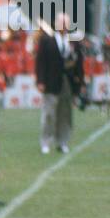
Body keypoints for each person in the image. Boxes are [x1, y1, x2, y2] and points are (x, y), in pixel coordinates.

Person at [35, 13, 82, 153]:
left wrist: (80, 82)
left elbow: (79, 63)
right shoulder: (46, 40)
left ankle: (62, 141)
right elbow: (40, 62)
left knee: (65, 113)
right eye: (61, 23)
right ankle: (46, 141)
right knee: (49, 113)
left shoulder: (73, 41)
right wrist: (40, 80)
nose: (63, 26)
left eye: (66, 23)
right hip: (50, 81)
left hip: (67, 81)